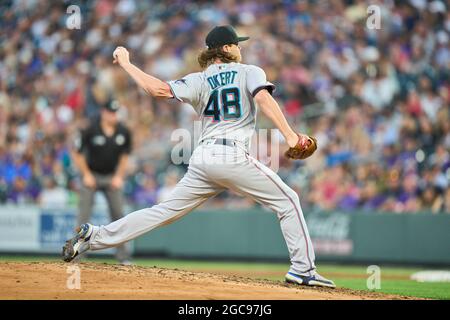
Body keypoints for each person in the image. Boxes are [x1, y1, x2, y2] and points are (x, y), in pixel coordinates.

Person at [63, 25, 335, 288]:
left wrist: (126, 63)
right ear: (226, 48)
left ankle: (94, 236)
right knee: (288, 200)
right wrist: (289, 135)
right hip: (231, 154)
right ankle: (303, 270)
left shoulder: (198, 79)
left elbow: (157, 90)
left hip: (203, 157)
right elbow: (263, 99)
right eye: (236, 44)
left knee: (163, 212)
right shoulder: (250, 71)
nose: (240, 48)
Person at [71, 99, 132, 265]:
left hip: (112, 176)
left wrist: (119, 176)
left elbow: (124, 156)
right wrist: (86, 174)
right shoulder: (91, 129)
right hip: (92, 174)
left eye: (115, 112)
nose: (113, 115)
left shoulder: (123, 131)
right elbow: (77, 153)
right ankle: (77, 256)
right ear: (103, 112)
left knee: (119, 216)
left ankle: (123, 257)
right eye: (110, 112)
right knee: (83, 216)